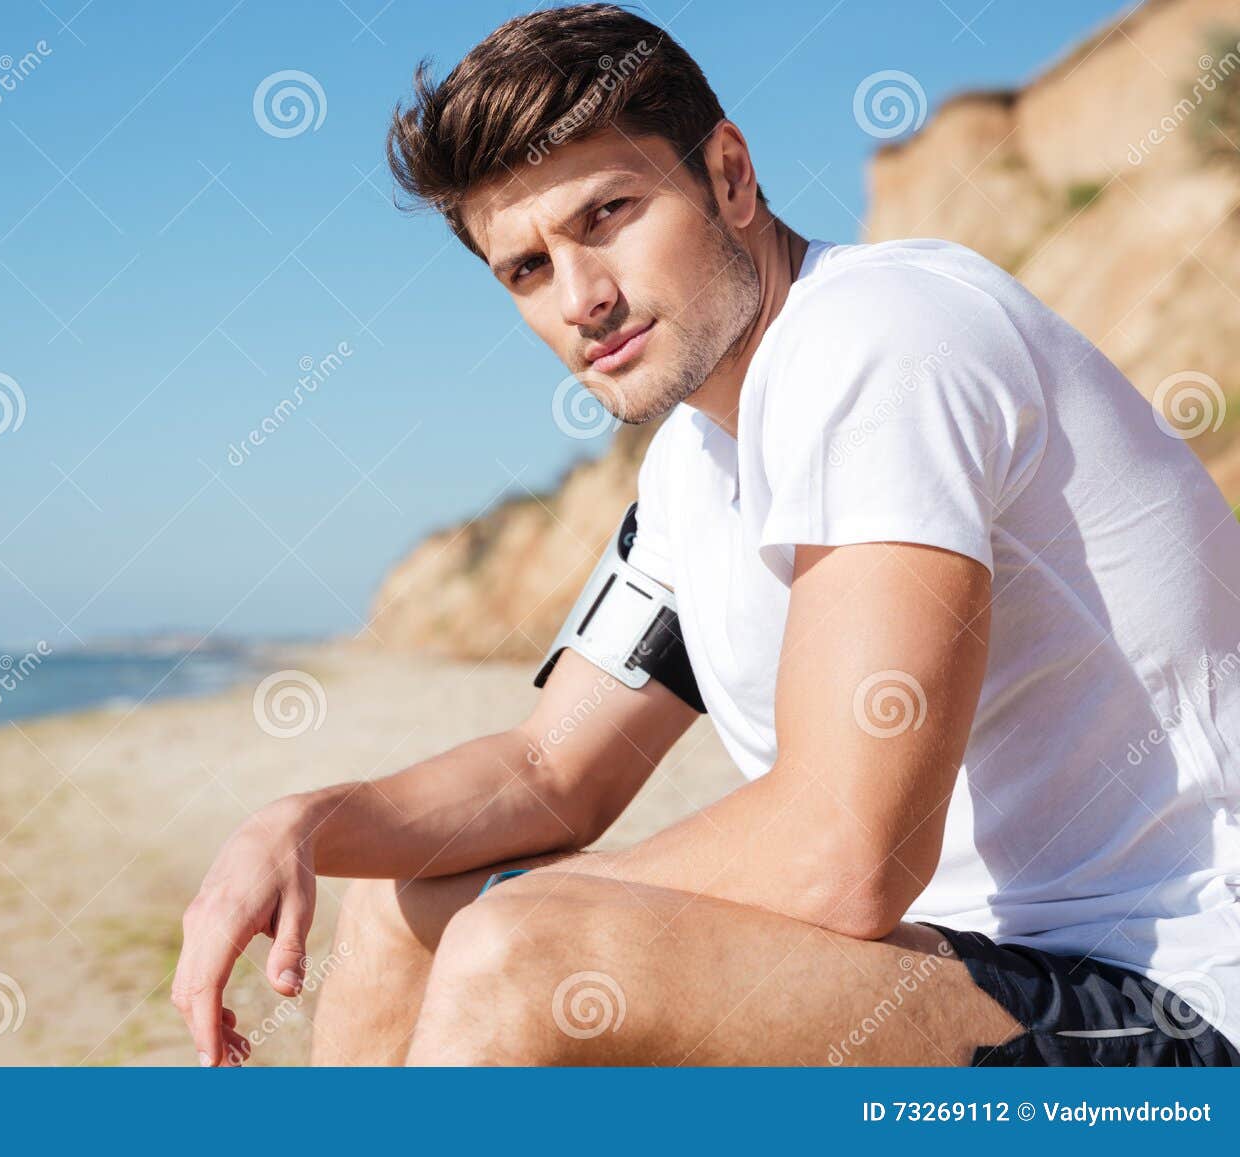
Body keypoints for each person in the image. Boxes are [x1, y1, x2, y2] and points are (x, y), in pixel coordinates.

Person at [171, 4, 1240, 1066]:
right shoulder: (693, 461)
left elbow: (845, 854)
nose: (582, 299)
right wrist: (305, 821)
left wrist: (517, 913)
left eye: (607, 214)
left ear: (728, 174)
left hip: (1168, 998)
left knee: (514, 948)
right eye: (527, 269)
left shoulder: (882, 340)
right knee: (408, 912)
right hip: (958, 972)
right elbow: (551, 769)